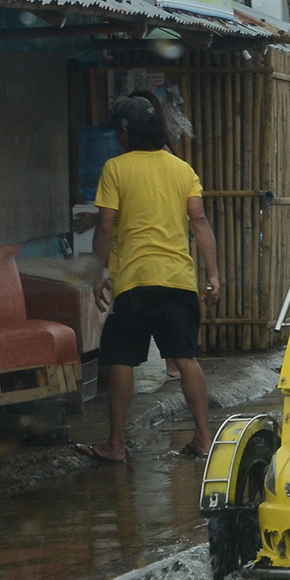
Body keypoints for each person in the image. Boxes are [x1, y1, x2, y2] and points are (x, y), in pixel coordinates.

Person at [78, 95, 218, 463]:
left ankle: (116, 445)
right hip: (178, 280)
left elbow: (105, 227)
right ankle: (203, 438)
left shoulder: (115, 169)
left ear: (124, 132)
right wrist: (214, 273)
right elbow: (200, 222)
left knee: (120, 359)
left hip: (136, 282)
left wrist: (97, 274)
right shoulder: (182, 169)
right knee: (185, 356)